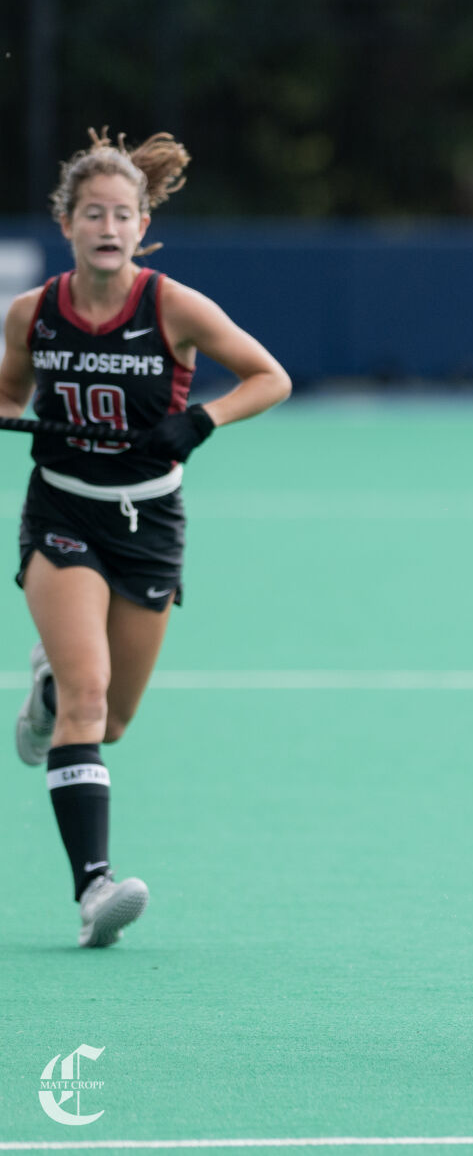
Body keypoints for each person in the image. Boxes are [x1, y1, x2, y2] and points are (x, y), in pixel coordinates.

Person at [0, 129, 292, 947]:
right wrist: (21, 414)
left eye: (122, 214)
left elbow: (271, 377)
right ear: (67, 223)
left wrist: (200, 419)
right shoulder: (35, 313)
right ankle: (93, 888)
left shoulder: (173, 307)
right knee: (90, 695)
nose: (107, 226)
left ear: (140, 225)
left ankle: (47, 696)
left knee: (112, 717)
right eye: (92, 212)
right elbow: (9, 392)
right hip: (62, 515)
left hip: (150, 523)